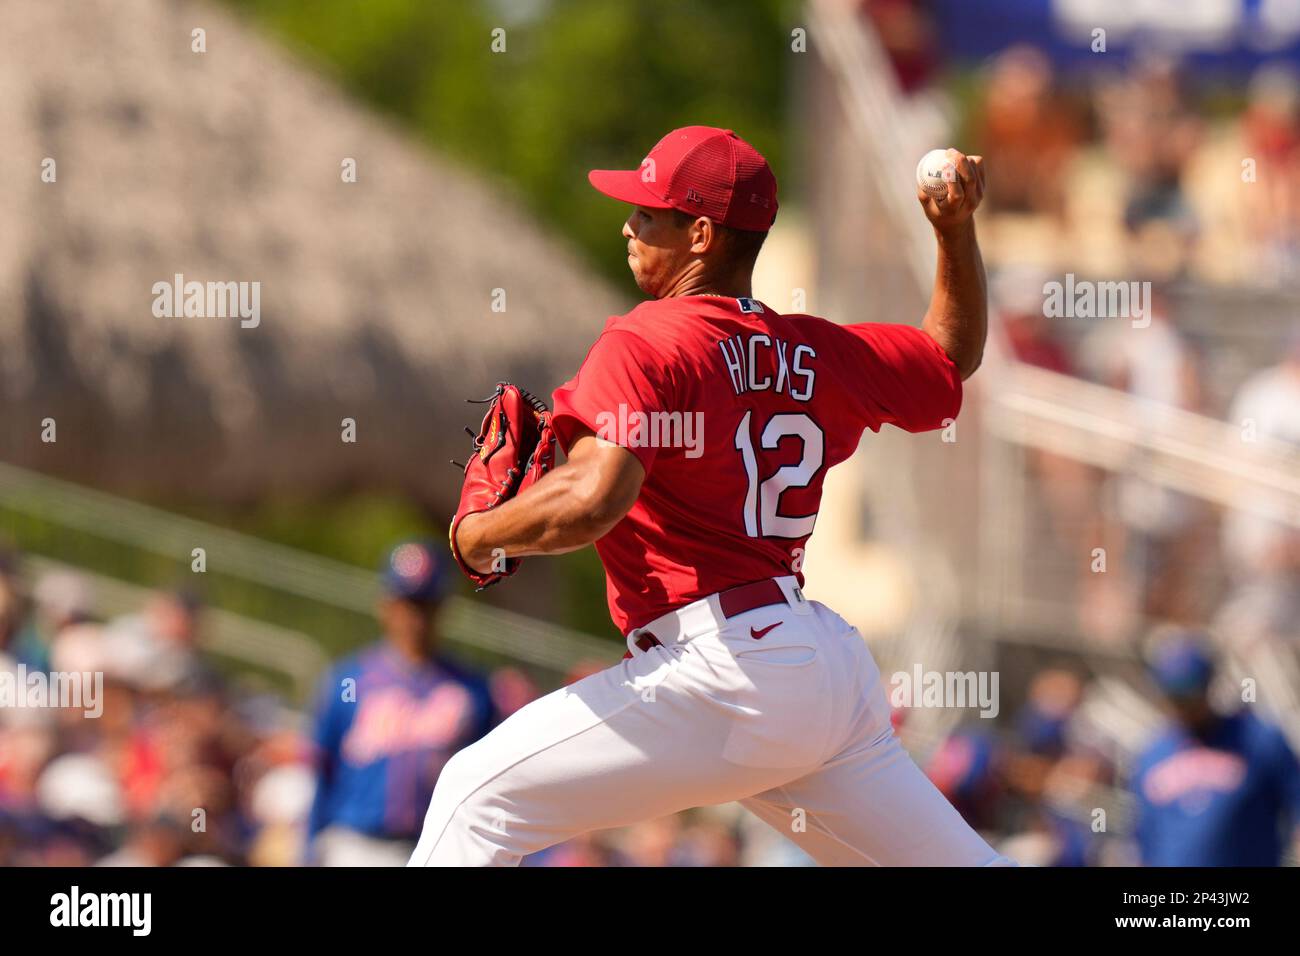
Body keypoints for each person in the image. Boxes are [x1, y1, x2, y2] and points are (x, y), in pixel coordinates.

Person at [410, 126, 1009, 867]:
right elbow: (951, 356)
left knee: (475, 795)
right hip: (820, 672)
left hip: (721, 672)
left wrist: (477, 533)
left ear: (700, 234)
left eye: (648, 213)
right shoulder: (816, 349)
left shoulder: (648, 341)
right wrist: (954, 231)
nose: (628, 224)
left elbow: (596, 497)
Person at [308, 540, 495, 866]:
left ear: (443, 608)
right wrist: (308, 848)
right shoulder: (348, 680)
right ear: (385, 605)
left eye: (425, 604)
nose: (415, 618)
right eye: (407, 603)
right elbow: (321, 771)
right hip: (355, 844)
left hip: (436, 846)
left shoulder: (472, 690)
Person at [1128, 632, 1300, 867]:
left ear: (1208, 685)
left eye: (1189, 694)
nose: (1182, 705)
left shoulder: (1258, 740)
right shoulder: (1152, 755)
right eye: (1174, 696)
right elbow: (1145, 839)